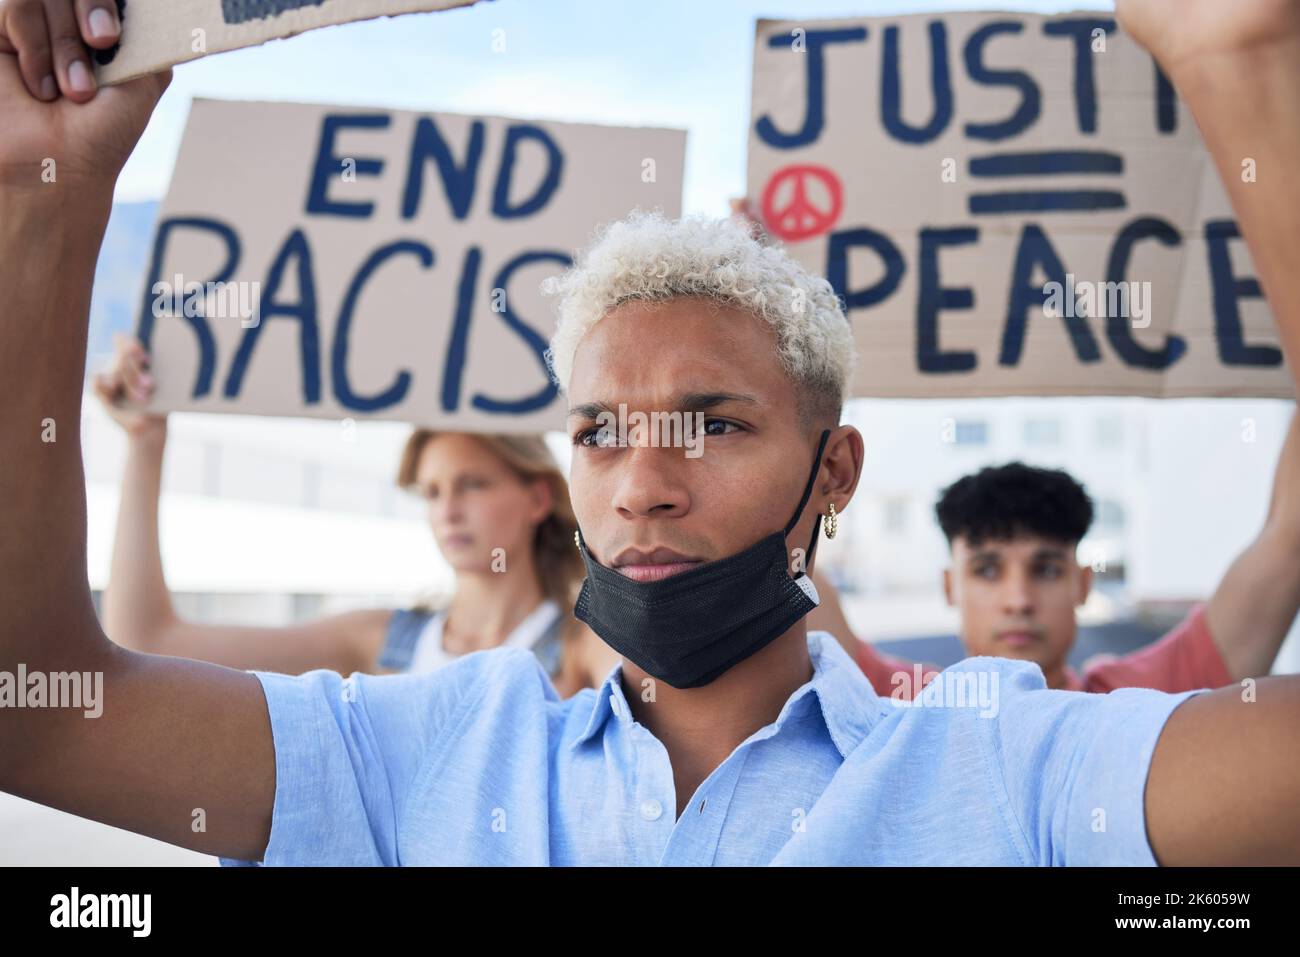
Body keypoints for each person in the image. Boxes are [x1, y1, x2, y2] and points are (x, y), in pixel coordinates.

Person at [3, 0, 1300, 866]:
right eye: (602, 431)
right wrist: (44, 193)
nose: (642, 487)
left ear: (833, 471)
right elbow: (37, 713)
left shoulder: (1009, 763)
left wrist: (1238, 67)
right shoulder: (423, 749)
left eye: (714, 425)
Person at [91, 336, 620, 696]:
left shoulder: (582, 643)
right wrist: (145, 444)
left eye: (473, 484)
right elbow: (147, 641)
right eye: (431, 491)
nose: (448, 511)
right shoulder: (376, 640)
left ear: (536, 498)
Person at [809, 421, 1300, 696]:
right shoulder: (904, 699)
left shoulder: (1142, 697)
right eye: (986, 570)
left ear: (1082, 585)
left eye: (1045, 569)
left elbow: (1289, 540)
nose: (1018, 600)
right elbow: (790, 552)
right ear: (949, 586)